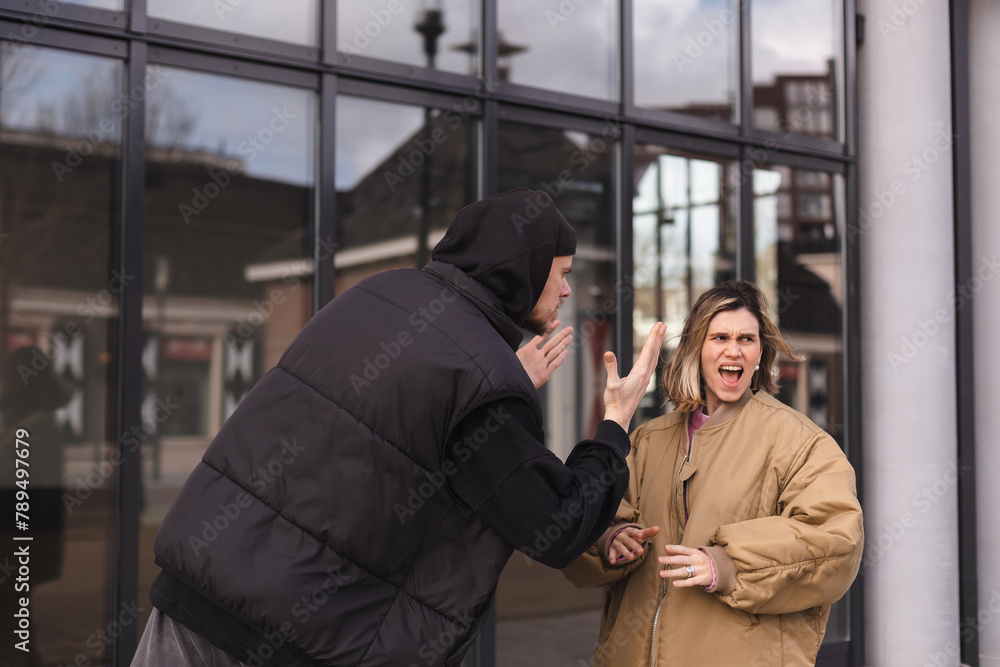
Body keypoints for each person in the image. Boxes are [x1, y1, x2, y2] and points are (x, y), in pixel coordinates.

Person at [132, 188, 666, 667]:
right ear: (526, 268)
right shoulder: (480, 376)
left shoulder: (379, 295)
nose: (568, 291)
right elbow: (556, 525)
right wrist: (615, 424)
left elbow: (391, 424)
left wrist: (501, 385)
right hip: (292, 637)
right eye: (564, 272)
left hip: (191, 597)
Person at [562, 280, 863, 666]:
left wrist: (727, 563)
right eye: (719, 337)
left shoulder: (802, 442)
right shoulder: (646, 441)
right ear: (696, 350)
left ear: (760, 354)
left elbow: (837, 544)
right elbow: (578, 523)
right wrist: (611, 539)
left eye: (747, 339)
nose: (733, 349)